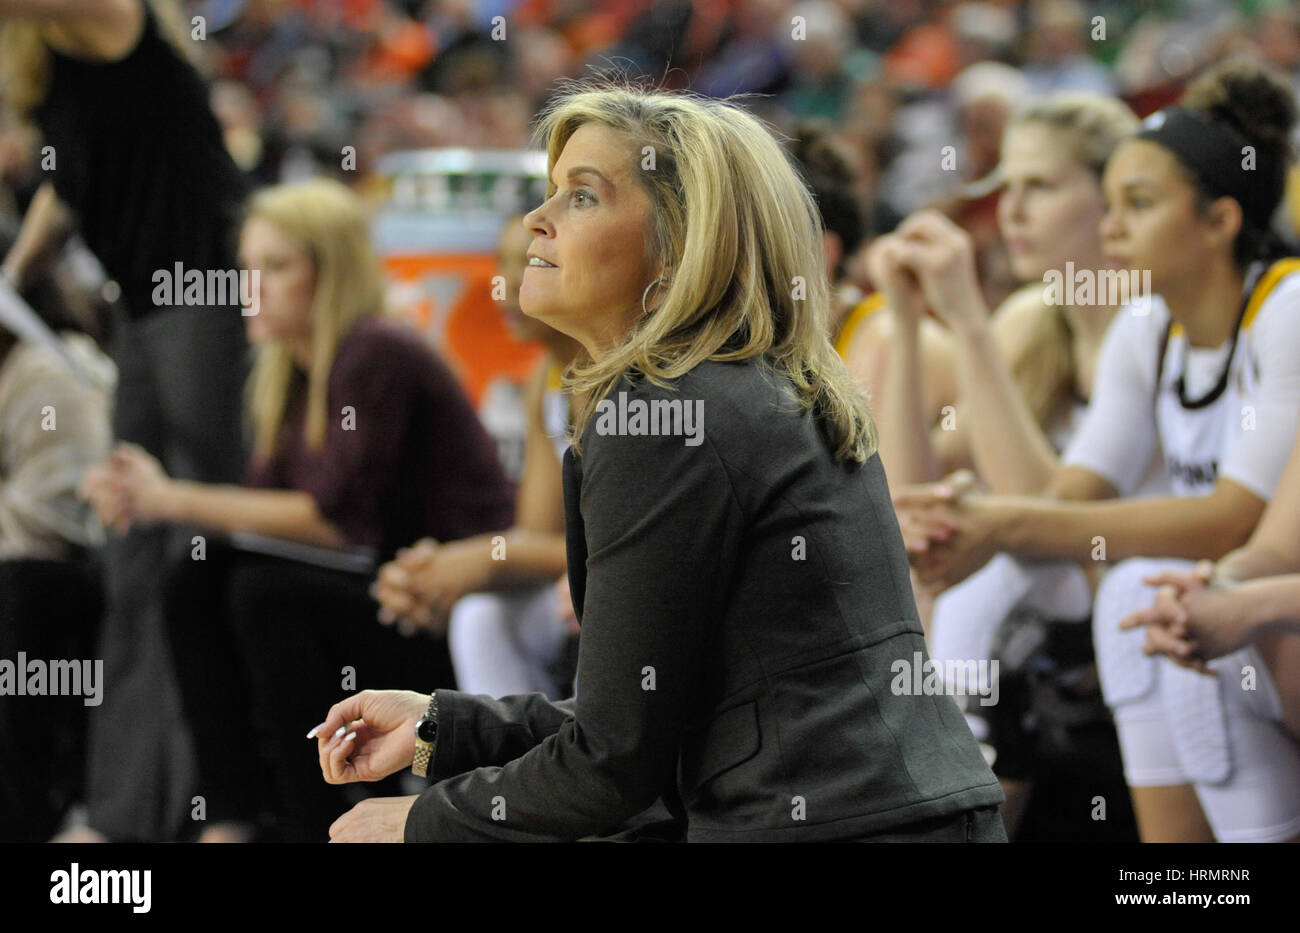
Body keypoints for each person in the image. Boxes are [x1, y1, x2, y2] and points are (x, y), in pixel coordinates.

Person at [310, 79, 1006, 843]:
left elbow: (611, 765)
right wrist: (443, 725)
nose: (535, 222)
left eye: (581, 197)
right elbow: (643, 709)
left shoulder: (670, 414)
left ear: (678, 250)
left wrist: (418, 819)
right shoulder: (745, 388)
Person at [897, 59, 1300, 843]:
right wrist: (963, 516)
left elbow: (1233, 521)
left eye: (1137, 204)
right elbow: (1071, 499)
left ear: (1218, 221)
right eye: (1112, 204)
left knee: (1139, 596)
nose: (1115, 228)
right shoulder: (1146, 327)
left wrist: (1001, 522)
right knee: (1132, 596)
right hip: (1200, 598)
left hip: (1259, 605)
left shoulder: (1286, 307)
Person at [82, 178, 515, 842]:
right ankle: (231, 816)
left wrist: (167, 497)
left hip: (443, 610)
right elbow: (266, 518)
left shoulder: (376, 351)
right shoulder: (289, 372)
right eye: (247, 268)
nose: (251, 287)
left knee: (264, 594)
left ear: (330, 270)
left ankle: (322, 822)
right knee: (196, 581)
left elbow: (335, 521)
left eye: (276, 267)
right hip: (372, 600)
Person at [0, 0, 250, 842]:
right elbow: (68, 189)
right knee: (131, 557)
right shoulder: (58, 72)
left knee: (197, 548)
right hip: (142, 314)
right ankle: (122, 808)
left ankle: (214, 799)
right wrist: (12, 277)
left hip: (206, 304)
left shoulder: (121, 25)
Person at [865, 92, 1140, 838]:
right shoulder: (1031, 321)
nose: (1011, 210)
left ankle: (958, 810)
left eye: (1041, 187)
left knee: (982, 582)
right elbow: (906, 492)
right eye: (1005, 187)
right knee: (935, 556)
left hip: (1114, 590)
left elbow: (1050, 514)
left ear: (1113, 197)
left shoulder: (1147, 324)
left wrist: (967, 318)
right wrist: (906, 321)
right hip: (1047, 614)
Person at [373, 216, 582, 700]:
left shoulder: (621, 378)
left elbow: (608, 549)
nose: (504, 284)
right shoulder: (545, 379)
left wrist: (474, 561)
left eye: (528, 261)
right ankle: (510, 769)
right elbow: (543, 537)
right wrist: (438, 568)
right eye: (499, 263)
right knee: (480, 616)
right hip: (572, 588)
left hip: (612, 590)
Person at [0, 218, 114, 841]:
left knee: (20, 589)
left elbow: (54, 515)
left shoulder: (45, 374)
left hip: (65, 574)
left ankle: (23, 814)